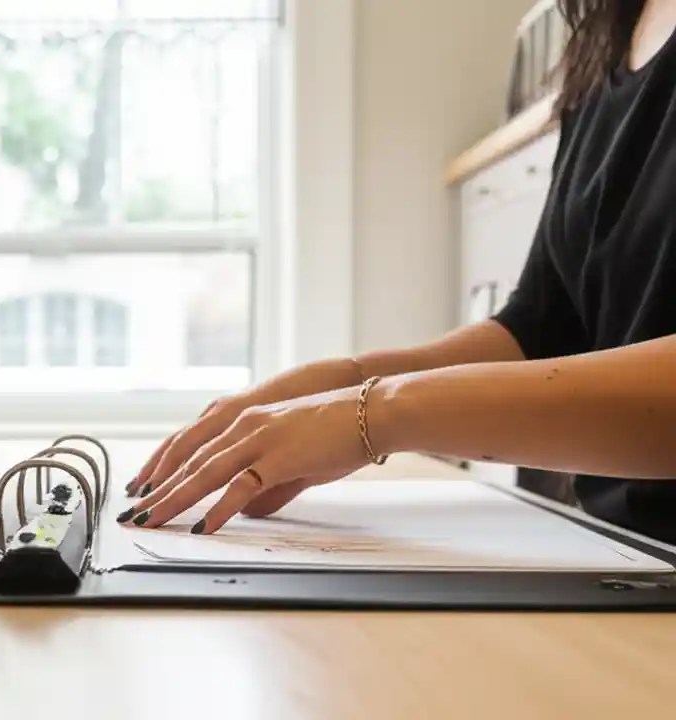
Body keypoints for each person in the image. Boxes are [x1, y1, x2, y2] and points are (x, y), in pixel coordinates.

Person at [117, 0, 676, 543]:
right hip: (625, 555)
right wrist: (346, 378)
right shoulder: (603, 32)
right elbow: (542, 327)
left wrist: (378, 412)